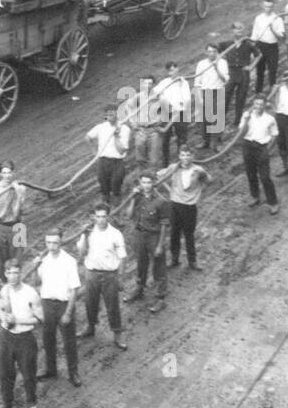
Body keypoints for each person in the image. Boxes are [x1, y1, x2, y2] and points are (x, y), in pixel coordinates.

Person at [32, 231, 82, 386]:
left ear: (61, 243)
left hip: (63, 305)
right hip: (47, 304)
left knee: (69, 341)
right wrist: (35, 267)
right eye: (48, 243)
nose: (51, 246)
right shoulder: (44, 260)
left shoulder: (69, 261)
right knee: (48, 339)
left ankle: (73, 372)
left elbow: (74, 289)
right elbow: (36, 282)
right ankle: (51, 370)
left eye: (55, 243)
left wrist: (68, 312)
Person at [0, 261, 41, 408]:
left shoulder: (30, 293)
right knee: (5, 372)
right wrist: (4, 318)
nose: (13, 276)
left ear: (21, 274)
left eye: (16, 273)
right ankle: (7, 402)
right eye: (10, 273)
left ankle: (32, 404)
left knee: (29, 374)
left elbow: (40, 319)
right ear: (5, 274)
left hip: (25, 339)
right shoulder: (5, 289)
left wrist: (18, 320)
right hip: (6, 337)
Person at [78, 204, 128, 349]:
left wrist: (120, 277)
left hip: (109, 275)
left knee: (112, 305)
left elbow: (123, 257)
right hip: (92, 273)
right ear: (94, 217)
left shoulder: (115, 234)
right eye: (98, 216)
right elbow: (81, 253)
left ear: (108, 216)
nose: (100, 220)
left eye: (103, 216)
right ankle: (90, 327)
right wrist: (85, 236)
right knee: (90, 302)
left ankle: (117, 334)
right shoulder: (87, 232)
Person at [126, 171, 171, 313]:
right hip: (140, 235)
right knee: (141, 264)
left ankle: (160, 298)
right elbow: (129, 215)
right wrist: (133, 198)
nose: (146, 185)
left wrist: (160, 245)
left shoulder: (161, 201)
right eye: (143, 182)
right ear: (140, 183)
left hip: (154, 236)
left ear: (154, 183)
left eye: (149, 182)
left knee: (159, 266)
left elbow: (164, 224)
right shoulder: (138, 198)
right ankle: (139, 289)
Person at [165, 147, 210, 269]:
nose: (185, 158)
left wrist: (199, 189)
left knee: (189, 234)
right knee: (174, 233)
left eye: (188, 155)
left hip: (190, 206)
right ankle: (174, 259)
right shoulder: (173, 168)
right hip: (175, 205)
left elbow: (208, 181)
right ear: (179, 156)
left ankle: (192, 261)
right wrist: (170, 190)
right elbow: (159, 177)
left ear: (192, 156)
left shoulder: (198, 170)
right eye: (183, 155)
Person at [239, 95, 280, 213]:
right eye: (256, 104)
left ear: (265, 105)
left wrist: (268, 149)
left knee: (265, 177)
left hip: (261, 148)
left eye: (261, 105)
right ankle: (255, 196)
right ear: (253, 104)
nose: (258, 107)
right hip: (248, 146)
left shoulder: (270, 119)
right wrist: (246, 120)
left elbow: (275, 134)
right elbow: (241, 133)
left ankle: (273, 202)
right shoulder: (247, 116)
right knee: (251, 174)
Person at [0, 161, 27, 279]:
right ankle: (4, 281)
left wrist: (18, 193)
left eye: (9, 172)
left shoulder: (21, 188)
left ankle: (17, 280)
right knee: (2, 254)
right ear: (0, 174)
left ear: (13, 173)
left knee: (18, 255)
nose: (7, 176)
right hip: (0, 225)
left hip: (18, 225)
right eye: (4, 173)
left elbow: (20, 210)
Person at [87, 104, 131, 203]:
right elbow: (88, 137)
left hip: (117, 162)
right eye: (107, 113)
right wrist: (94, 152)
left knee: (116, 186)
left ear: (118, 114)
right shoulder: (100, 127)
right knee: (104, 187)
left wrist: (116, 136)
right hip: (102, 161)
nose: (109, 114)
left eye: (112, 112)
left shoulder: (124, 129)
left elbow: (122, 150)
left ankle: (117, 209)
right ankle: (105, 209)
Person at [152, 61, 192, 166]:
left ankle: (182, 160)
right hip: (167, 112)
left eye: (174, 69)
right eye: (169, 71)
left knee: (182, 137)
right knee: (165, 138)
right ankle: (165, 163)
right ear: (168, 72)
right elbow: (154, 93)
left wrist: (179, 107)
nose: (172, 72)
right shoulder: (165, 82)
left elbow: (187, 99)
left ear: (178, 69)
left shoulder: (184, 83)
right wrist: (162, 99)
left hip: (180, 113)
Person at [193, 43, 229, 151]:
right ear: (206, 52)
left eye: (214, 51)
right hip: (205, 92)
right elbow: (197, 82)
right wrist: (199, 98)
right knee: (205, 119)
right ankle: (205, 141)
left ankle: (218, 142)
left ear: (217, 52)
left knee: (217, 118)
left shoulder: (223, 63)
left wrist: (216, 68)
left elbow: (225, 80)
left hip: (218, 91)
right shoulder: (201, 64)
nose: (212, 54)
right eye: (209, 51)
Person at [251, 0, 286, 93]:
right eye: (266, 6)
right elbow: (254, 34)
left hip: (272, 47)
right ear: (263, 6)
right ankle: (258, 92)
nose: (268, 9)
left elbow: (282, 36)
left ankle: (272, 93)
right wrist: (252, 49)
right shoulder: (258, 18)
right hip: (260, 46)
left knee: (272, 70)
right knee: (260, 71)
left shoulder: (277, 19)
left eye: (270, 7)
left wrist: (273, 30)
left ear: (273, 7)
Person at [222, 23, 254, 127]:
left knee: (241, 98)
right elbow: (217, 52)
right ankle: (221, 120)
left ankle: (237, 121)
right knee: (226, 96)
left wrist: (251, 66)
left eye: (241, 29)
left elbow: (259, 55)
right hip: (231, 72)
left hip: (243, 73)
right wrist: (222, 64)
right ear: (233, 31)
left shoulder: (248, 44)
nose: (239, 31)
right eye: (237, 29)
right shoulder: (227, 44)